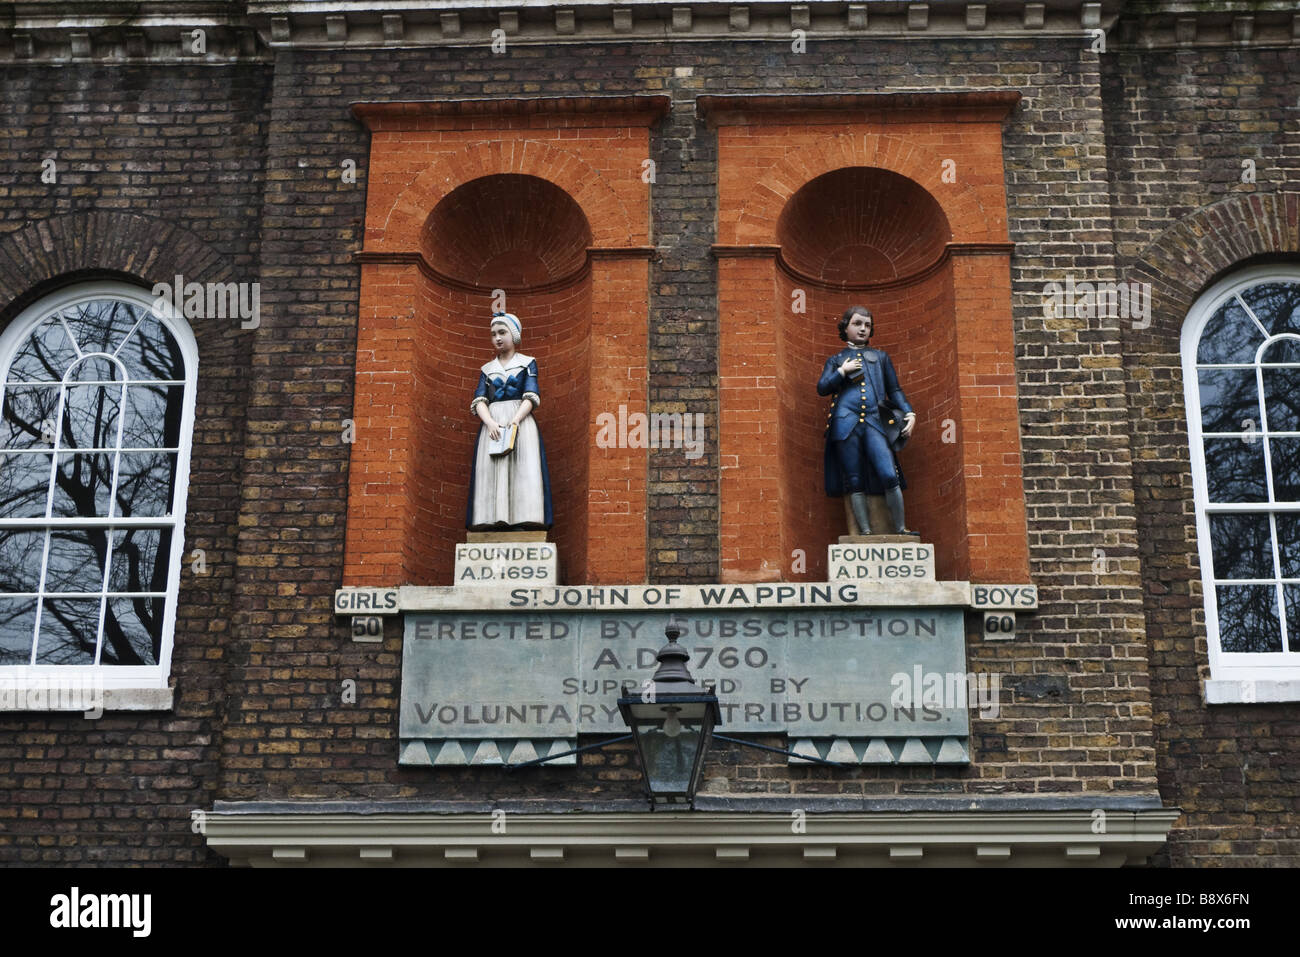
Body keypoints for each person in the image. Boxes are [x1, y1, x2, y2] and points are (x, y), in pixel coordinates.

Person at [817, 305, 917, 535]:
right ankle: (864, 533)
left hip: (874, 420)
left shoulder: (880, 357)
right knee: (853, 478)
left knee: (888, 473)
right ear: (846, 327)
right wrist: (842, 371)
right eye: (857, 324)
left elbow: (895, 389)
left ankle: (900, 529)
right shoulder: (837, 359)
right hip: (845, 422)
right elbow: (822, 387)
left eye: (867, 325)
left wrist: (909, 412)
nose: (863, 329)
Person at [466, 312, 553, 530]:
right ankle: (491, 519)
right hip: (493, 423)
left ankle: (523, 518)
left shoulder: (527, 363)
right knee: (492, 470)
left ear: (513, 335)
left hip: (520, 421)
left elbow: (531, 396)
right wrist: (490, 423)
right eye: (493, 333)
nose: (497, 338)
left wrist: (515, 420)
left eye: (502, 332)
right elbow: (480, 400)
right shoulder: (487, 369)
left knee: (523, 469)